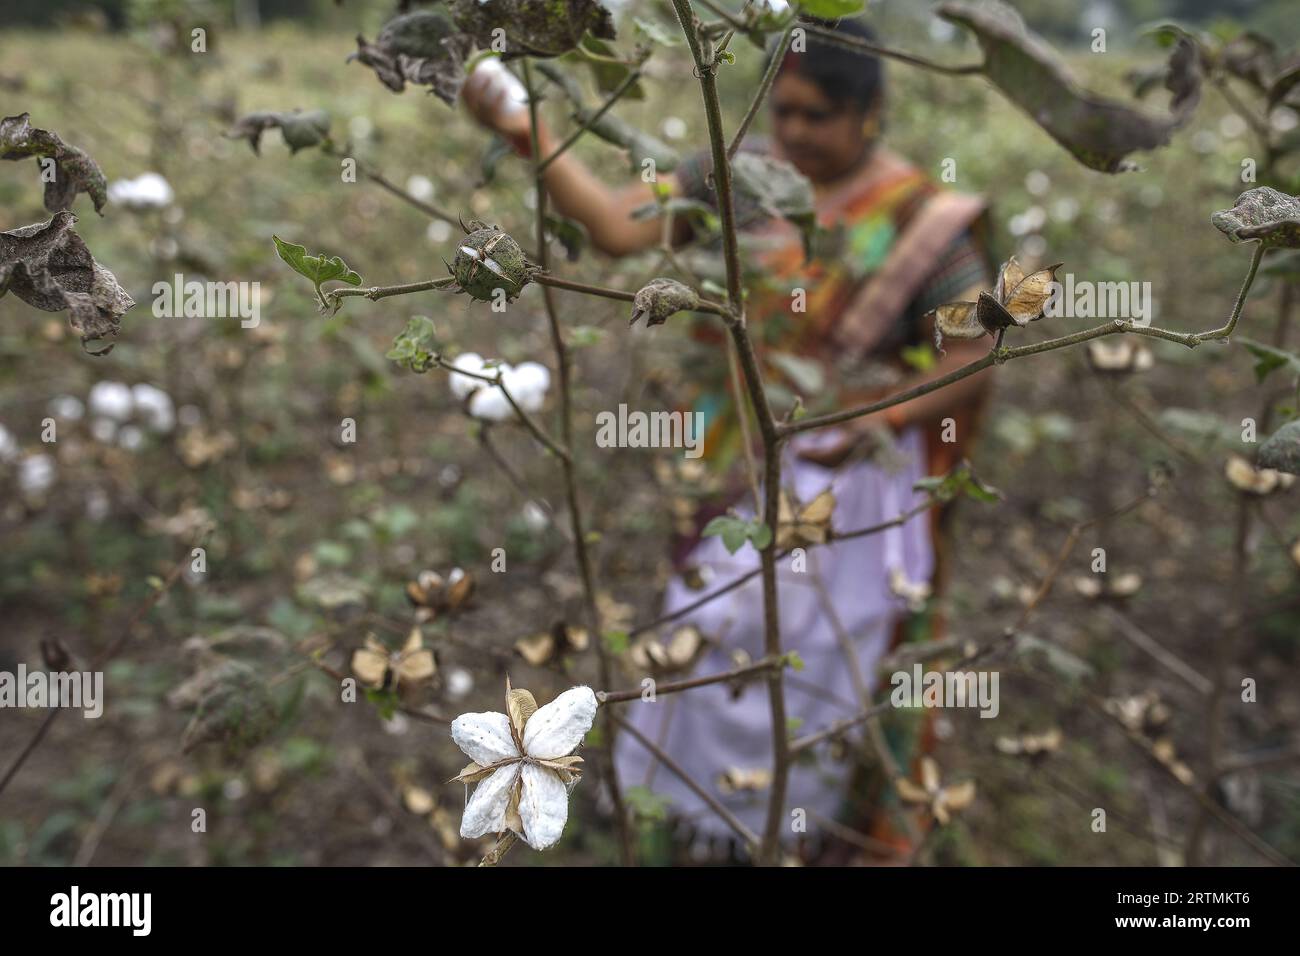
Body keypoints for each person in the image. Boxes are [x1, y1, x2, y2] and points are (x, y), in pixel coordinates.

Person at [463, 17, 996, 864]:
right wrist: (524, 129)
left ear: (869, 113)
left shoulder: (921, 220)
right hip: (736, 463)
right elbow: (615, 227)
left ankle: (827, 829)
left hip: (846, 491)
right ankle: (694, 820)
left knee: (828, 662)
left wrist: (886, 412)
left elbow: (975, 344)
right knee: (710, 639)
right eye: (780, 110)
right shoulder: (734, 174)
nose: (791, 132)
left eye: (815, 115)